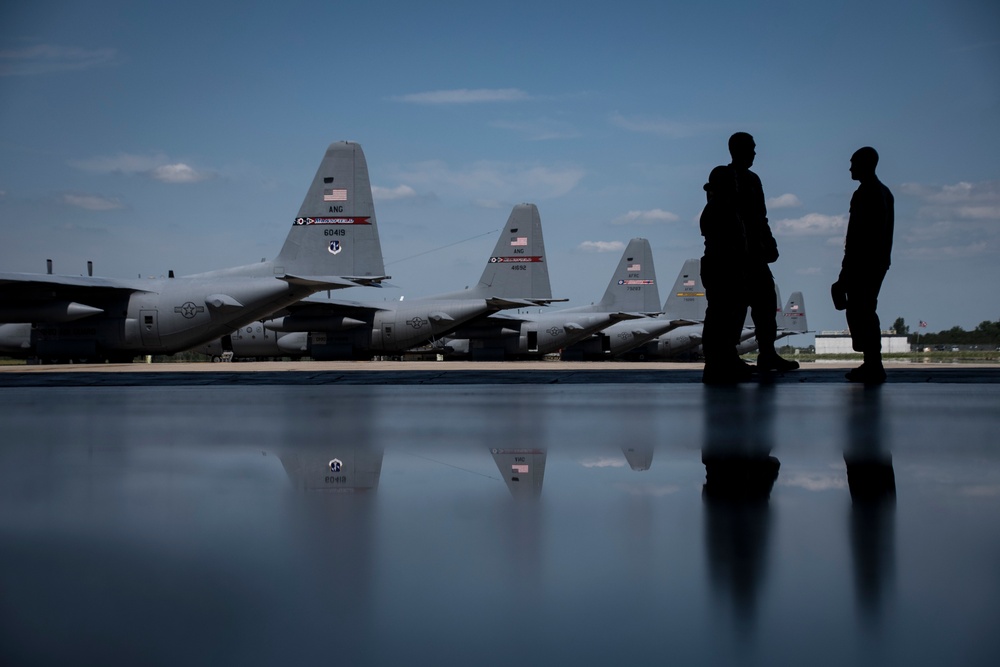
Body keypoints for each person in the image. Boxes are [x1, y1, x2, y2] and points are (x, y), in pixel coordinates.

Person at [728, 132, 799, 372]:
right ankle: (729, 357)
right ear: (737, 150)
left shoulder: (753, 180)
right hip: (736, 258)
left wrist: (769, 244)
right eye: (751, 148)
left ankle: (767, 353)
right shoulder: (725, 177)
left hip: (756, 256)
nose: (755, 153)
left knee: (766, 305)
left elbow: (761, 217)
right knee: (735, 309)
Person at [832, 146, 894, 384]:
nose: (850, 168)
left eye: (853, 163)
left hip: (862, 263)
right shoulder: (885, 193)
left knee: (861, 311)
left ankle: (873, 364)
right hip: (877, 262)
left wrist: (845, 272)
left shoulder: (865, 193)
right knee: (865, 310)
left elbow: (856, 236)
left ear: (865, 164)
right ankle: (872, 362)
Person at [700, 165, 752, 384]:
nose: (736, 185)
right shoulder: (721, 209)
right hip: (724, 267)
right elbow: (729, 243)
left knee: (726, 314)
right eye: (732, 182)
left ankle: (724, 358)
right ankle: (719, 361)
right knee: (722, 315)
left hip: (722, 267)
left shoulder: (720, 207)